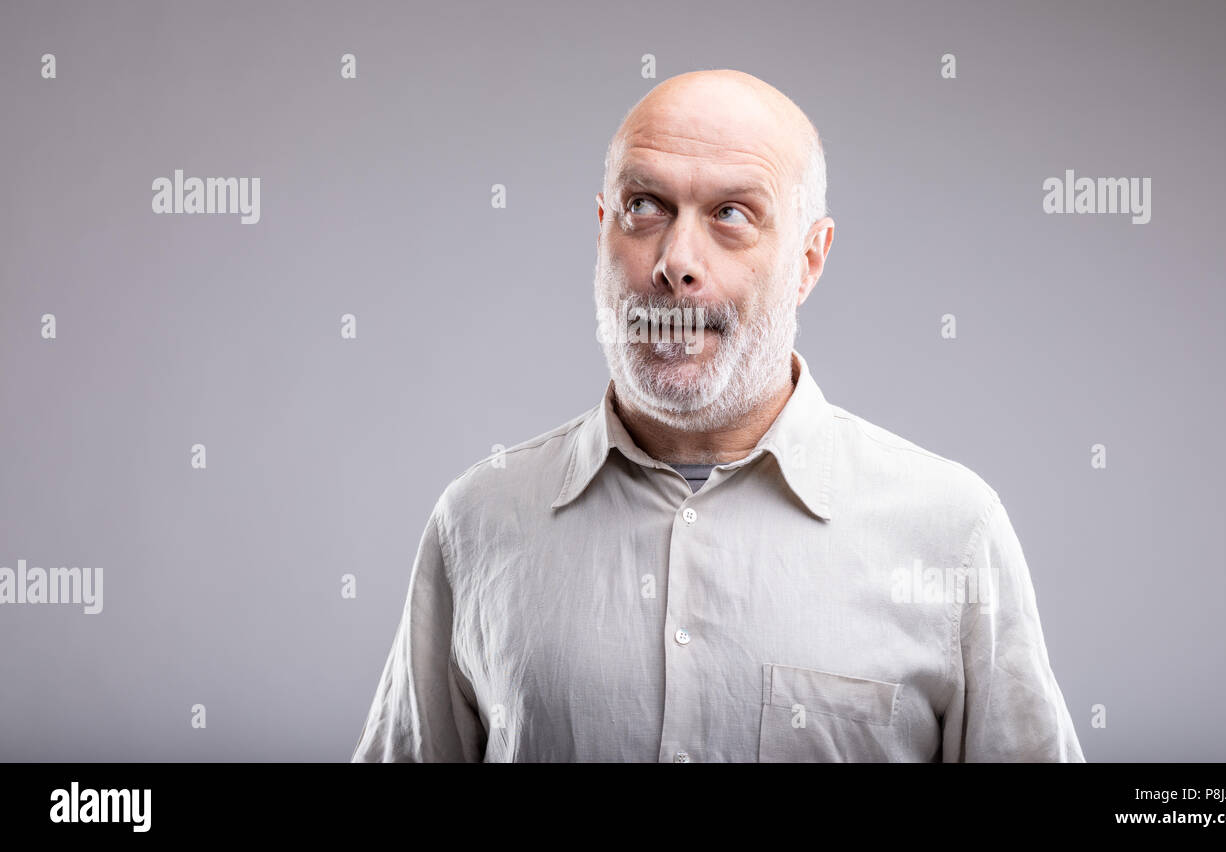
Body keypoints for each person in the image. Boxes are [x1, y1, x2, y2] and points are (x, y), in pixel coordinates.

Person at [351, 69, 1085, 762]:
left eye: (732, 214)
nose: (677, 260)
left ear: (809, 261)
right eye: (645, 207)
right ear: (601, 230)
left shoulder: (953, 532)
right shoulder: (477, 521)